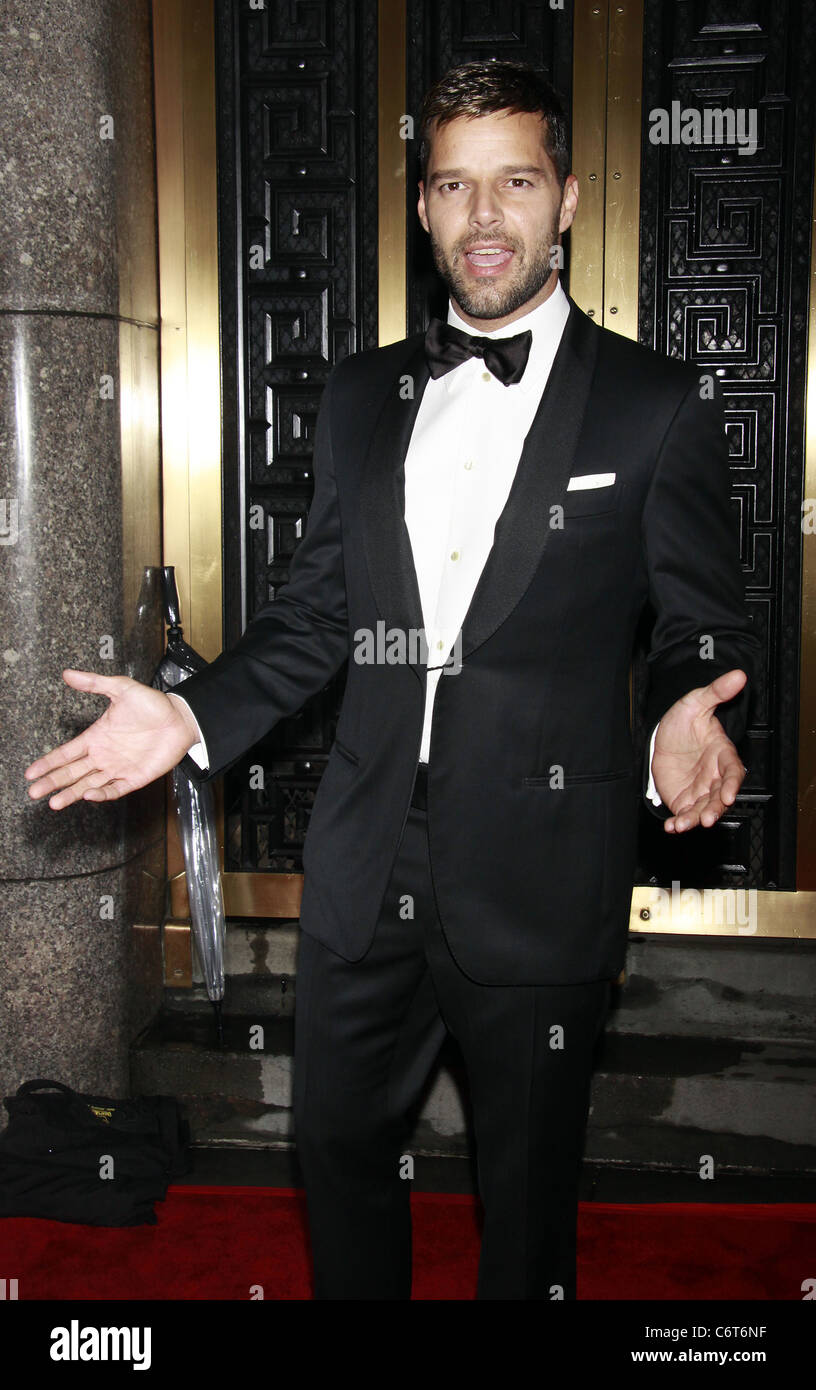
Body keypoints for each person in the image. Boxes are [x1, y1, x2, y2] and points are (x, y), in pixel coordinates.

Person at [24, 61, 759, 1300]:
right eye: (454, 186)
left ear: (568, 198)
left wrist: (691, 697)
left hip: (539, 867)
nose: (484, 218)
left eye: (515, 182)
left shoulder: (653, 404)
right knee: (335, 1153)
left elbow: (699, 615)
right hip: (369, 857)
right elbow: (317, 615)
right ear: (422, 210)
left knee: (527, 1200)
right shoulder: (367, 395)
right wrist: (195, 712)